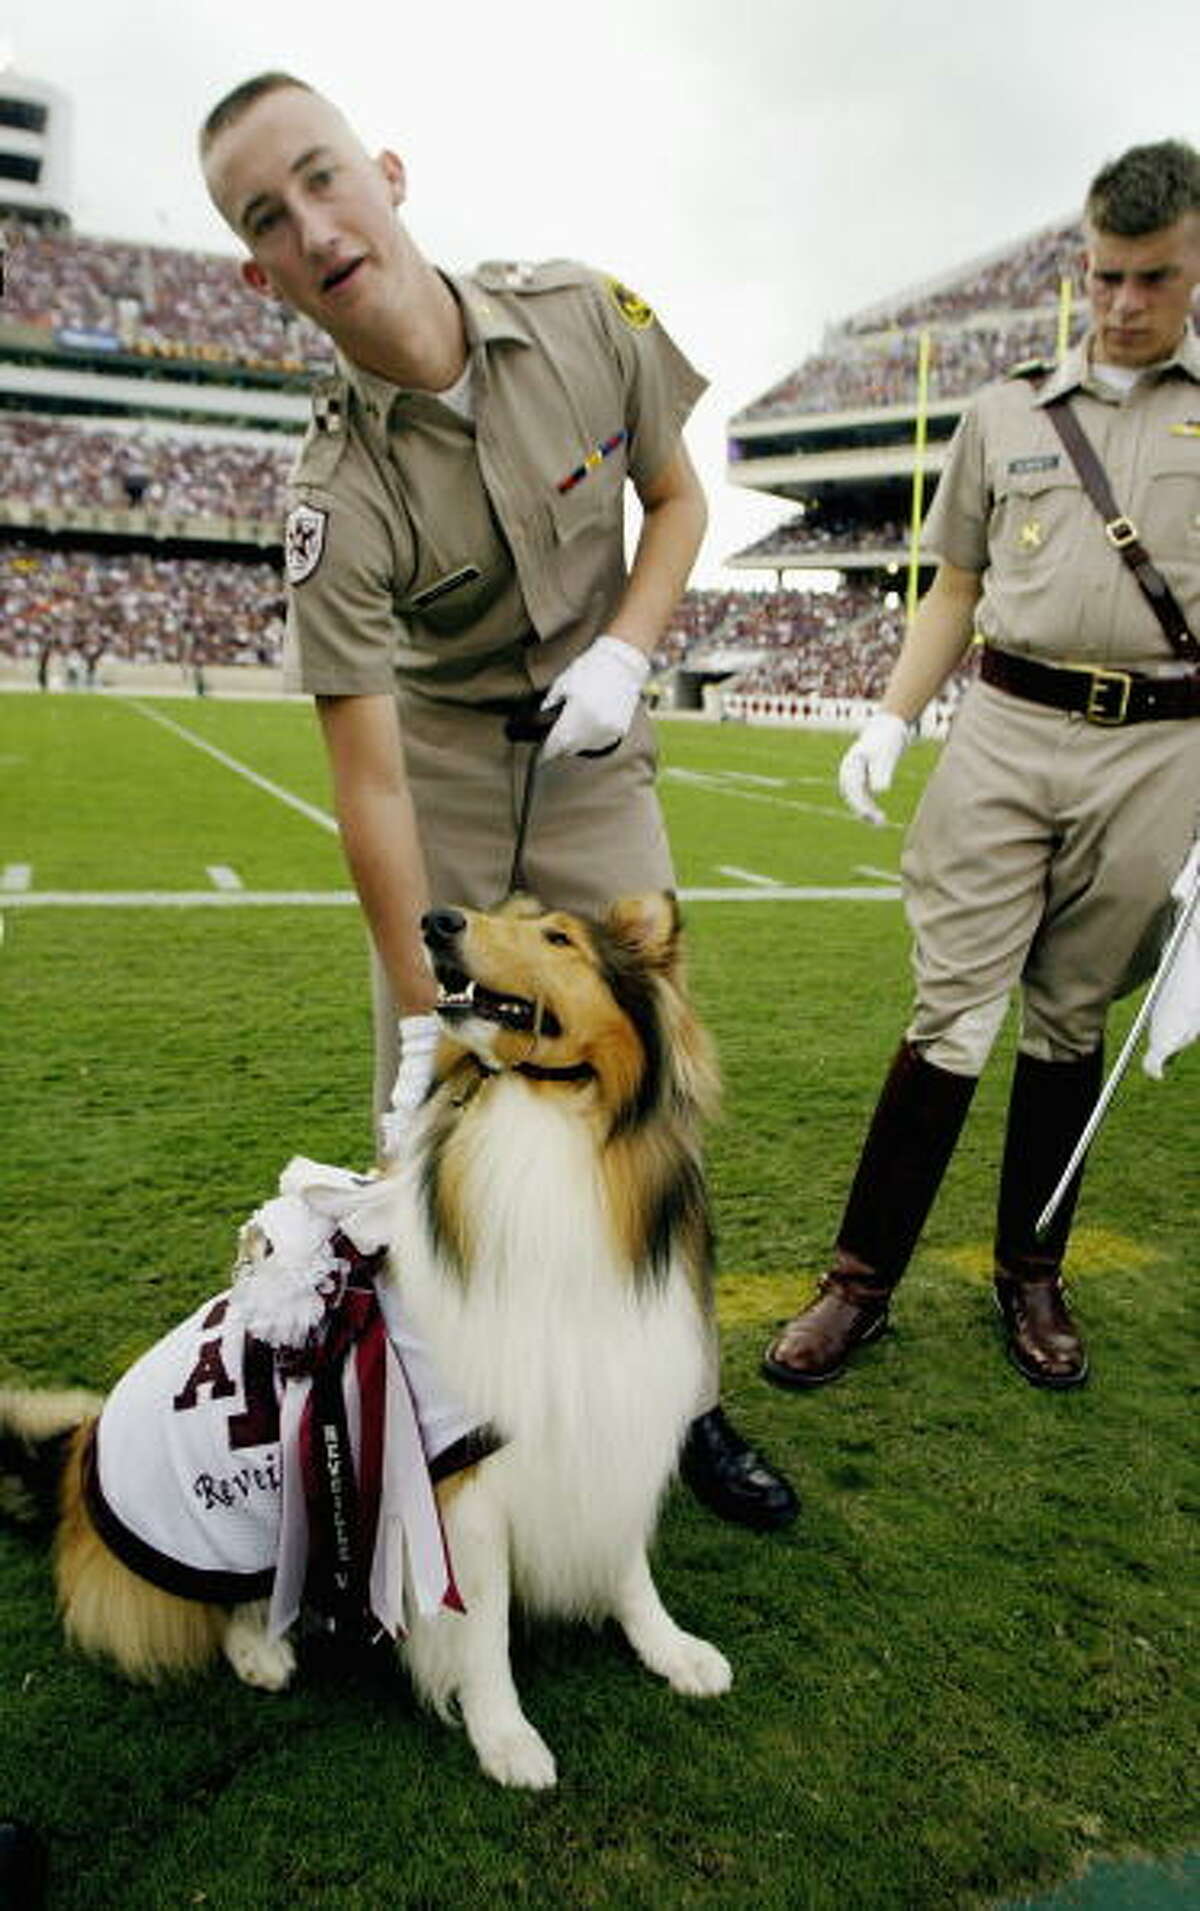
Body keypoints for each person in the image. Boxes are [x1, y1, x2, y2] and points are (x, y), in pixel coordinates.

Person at [199, 72, 795, 1530]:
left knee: (640, 1081)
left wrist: (628, 648)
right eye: (269, 217)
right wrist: (419, 1012)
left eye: (324, 177)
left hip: (595, 746)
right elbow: (371, 775)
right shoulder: (333, 491)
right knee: (446, 1119)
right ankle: (461, 1413)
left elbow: (681, 501)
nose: (315, 224)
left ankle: (689, 1398)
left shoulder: (587, 314)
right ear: (258, 274)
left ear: (387, 172)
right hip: (451, 761)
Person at [764, 138, 1200, 1395]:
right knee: (950, 1007)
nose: (1121, 304)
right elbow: (954, 583)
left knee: (1069, 1016)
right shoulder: (1008, 409)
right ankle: (860, 1283)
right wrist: (892, 715)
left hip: (1161, 747)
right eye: (1106, 275)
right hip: (1006, 731)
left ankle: (1031, 1272)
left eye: (1153, 279)